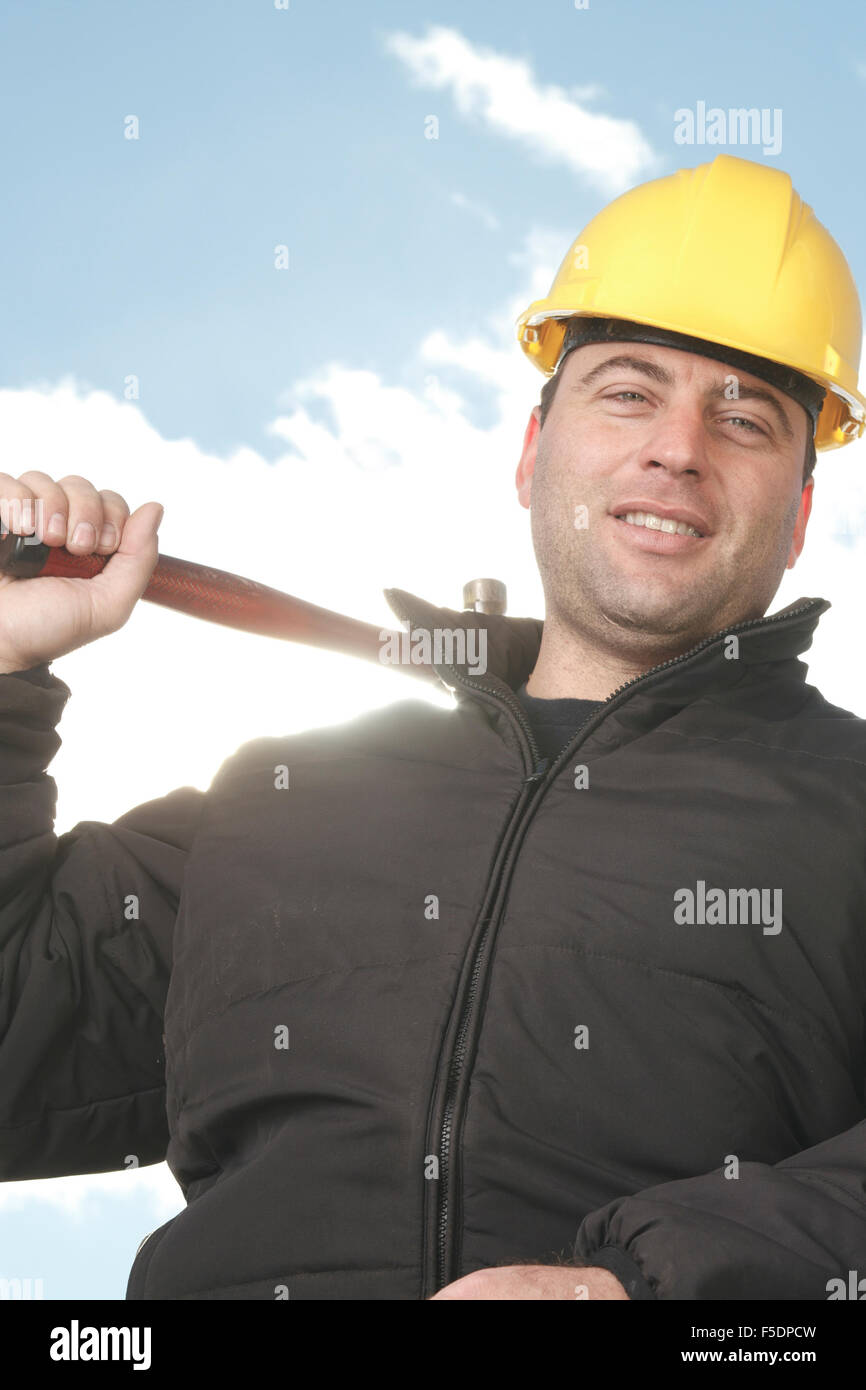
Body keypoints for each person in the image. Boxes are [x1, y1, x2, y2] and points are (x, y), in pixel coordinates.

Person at [1, 153, 864, 1302]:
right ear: (528, 452)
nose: (676, 447)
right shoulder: (280, 797)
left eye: (744, 416)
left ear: (798, 510)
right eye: (625, 390)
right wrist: (7, 666)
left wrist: (639, 1288)